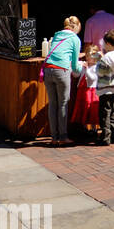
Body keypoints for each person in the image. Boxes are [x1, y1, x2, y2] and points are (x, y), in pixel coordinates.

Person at [42, 16, 82, 146]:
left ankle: (54, 137)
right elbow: (75, 66)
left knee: (53, 104)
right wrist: (84, 66)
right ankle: (63, 137)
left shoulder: (57, 35)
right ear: (75, 27)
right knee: (63, 103)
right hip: (62, 70)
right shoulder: (75, 39)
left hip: (48, 69)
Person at [94, 30, 114, 145]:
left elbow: (100, 72)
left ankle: (105, 137)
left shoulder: (105, 58)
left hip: (105, 89)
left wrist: (99, 61)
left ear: (107, 43)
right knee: (112, 110)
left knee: (104, 113)